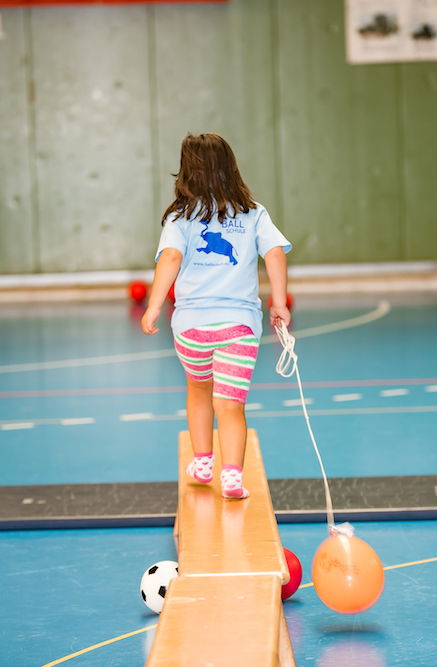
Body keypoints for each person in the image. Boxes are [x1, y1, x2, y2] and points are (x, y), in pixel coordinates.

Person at [141, 133, 291, 499]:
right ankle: (232, 477)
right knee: (230, 403)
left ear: (186, 172)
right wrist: (279, 302)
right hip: (239, 326)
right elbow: (274, 253)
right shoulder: (253, 212)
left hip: (191, 326)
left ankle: (203, 462)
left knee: (198, 389)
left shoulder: (180, 216)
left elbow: (171, 258)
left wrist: (154, 306)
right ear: (230, 167)